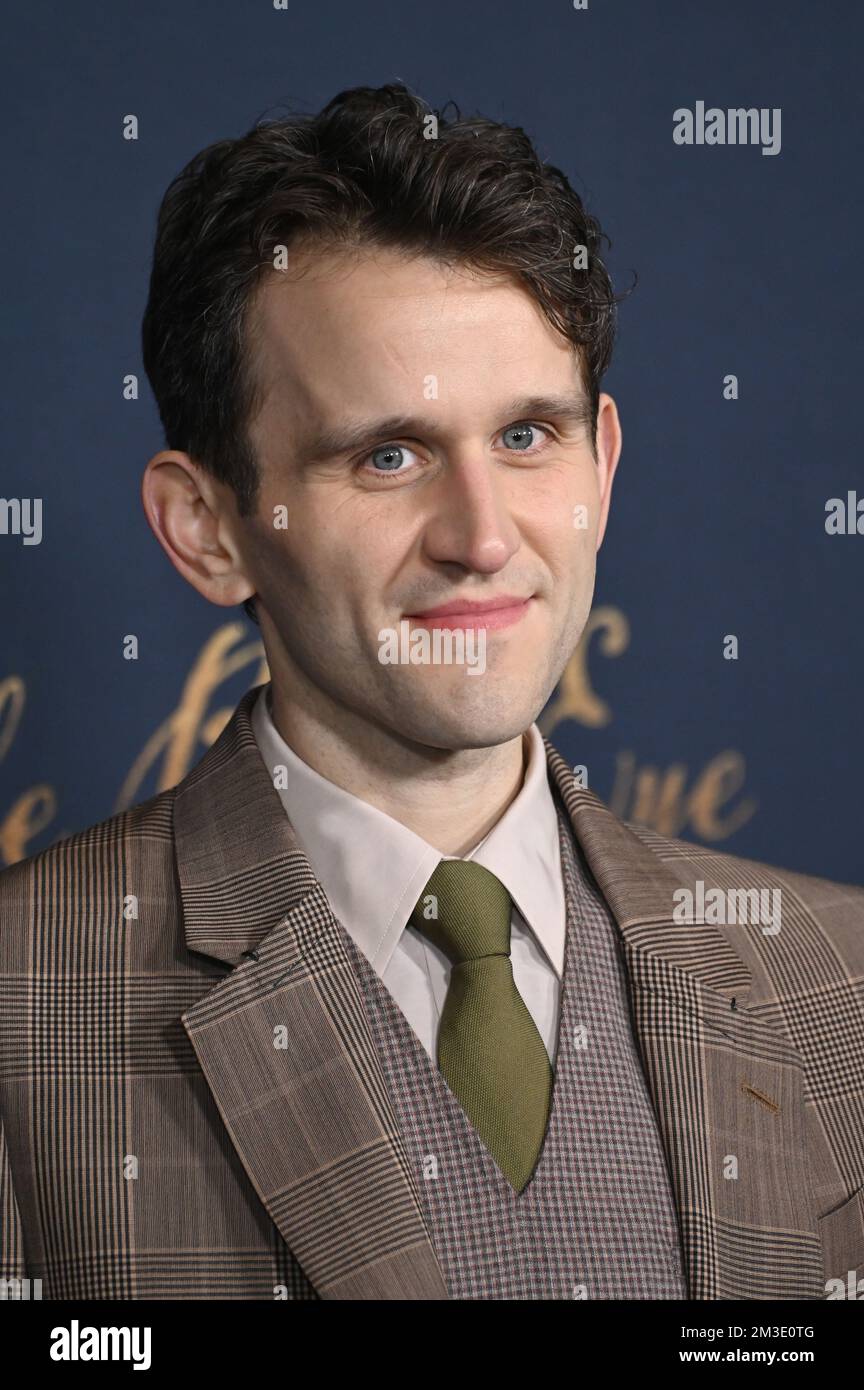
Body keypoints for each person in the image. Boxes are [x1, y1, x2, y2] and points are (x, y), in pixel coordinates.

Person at [1, 83, 862, 1302]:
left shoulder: (840, 979)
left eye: (526, 438)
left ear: (602, 467)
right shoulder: (21, 1006)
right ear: (207, 529)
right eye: (386, 455)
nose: (482, 536)